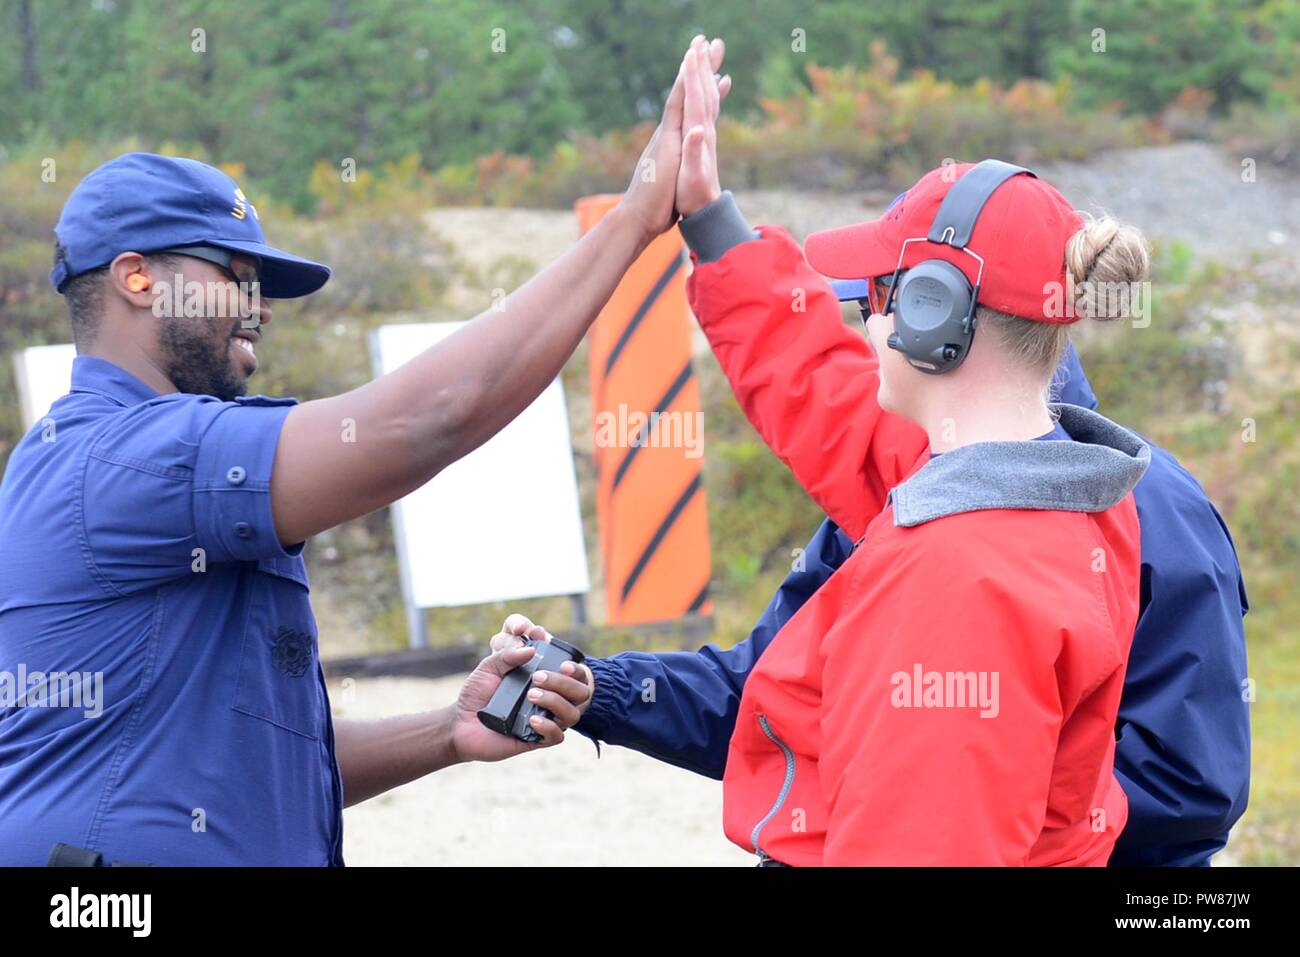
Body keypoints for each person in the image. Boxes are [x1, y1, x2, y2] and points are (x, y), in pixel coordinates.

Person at [0, 38, 732, 866]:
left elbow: (259, 764)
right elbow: (431, 420)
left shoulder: (121, 459)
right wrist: (636, 219)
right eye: (238, 275)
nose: (261, 308)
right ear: (138, 279)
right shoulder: (123, 456)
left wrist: (449, 729)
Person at [527, 44, 1156, 865]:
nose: (866, 319)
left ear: (938, 320)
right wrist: (713, 222)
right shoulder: (1056, 486)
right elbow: (829, 399)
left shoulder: (961, 580)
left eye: (882, 295)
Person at [570, 341, 1250, 866]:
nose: (873, 338)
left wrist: (991, 798)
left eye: (885, 310)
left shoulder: (1164, 513)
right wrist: (602, 689)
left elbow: (1190, 786)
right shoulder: (905, 493)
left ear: (950, 339)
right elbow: (767, 692)